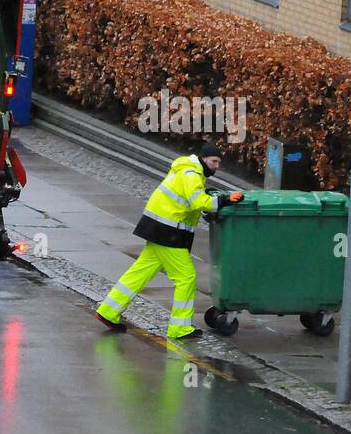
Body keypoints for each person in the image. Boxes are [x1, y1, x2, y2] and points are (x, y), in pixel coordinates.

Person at [95, 143, 244, 339]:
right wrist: (224, 200)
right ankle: (180, 328)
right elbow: (198, 202)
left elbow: (191, 197)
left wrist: (209, 195)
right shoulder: (191, 174)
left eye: (219, 162)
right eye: (214, 161)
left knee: (139, 273)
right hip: (168, 232)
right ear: (204, 158)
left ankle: (108, 310)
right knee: (186, 277)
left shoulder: (188, 170)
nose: (216, 166)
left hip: (157, 227)